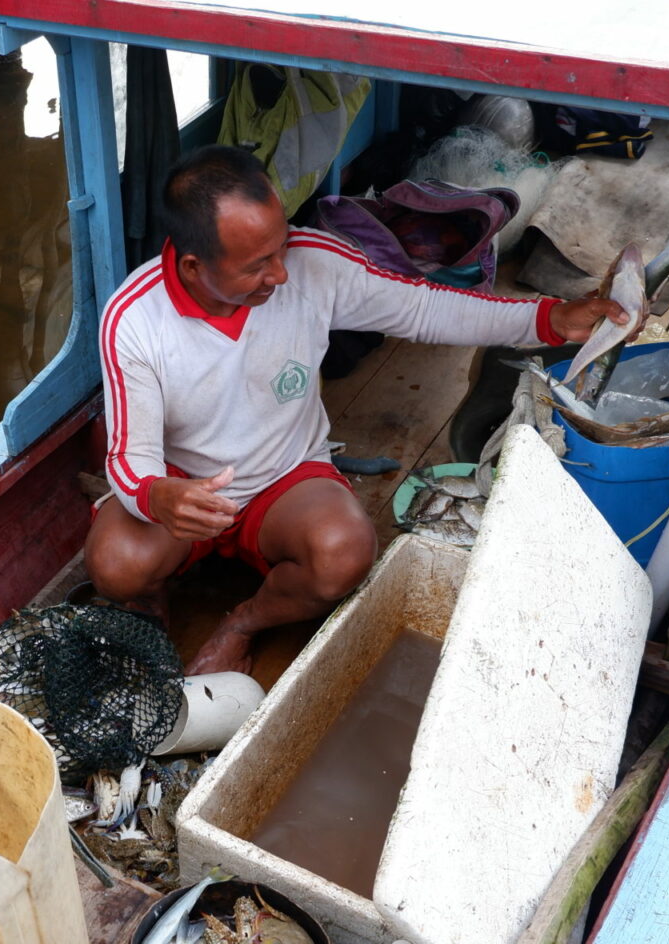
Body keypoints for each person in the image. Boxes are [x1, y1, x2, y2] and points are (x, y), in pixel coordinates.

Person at [89, 145, 628, 674]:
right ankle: (148, 606)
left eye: (281, 247)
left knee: (344, 555)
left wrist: (549, 319)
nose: (281, 272)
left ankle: (242, 624)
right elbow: (128, 458)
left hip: (286, 478)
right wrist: (158, 496)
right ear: (193, 265)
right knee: (115, 566)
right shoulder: (134, 320)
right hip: (190, 487)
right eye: (258, 264)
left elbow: (423, 306)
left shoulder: (312, 261)